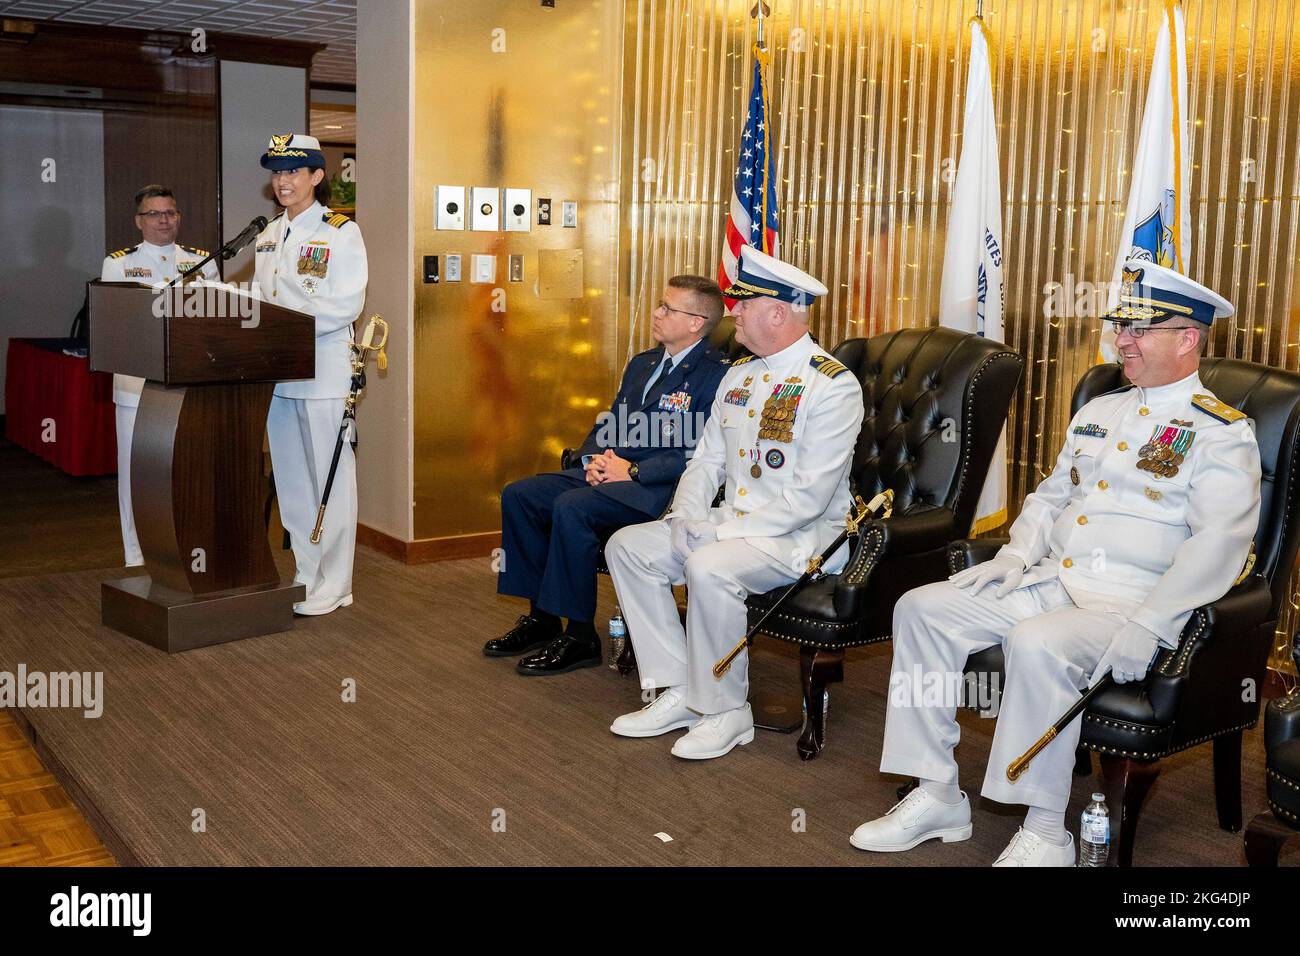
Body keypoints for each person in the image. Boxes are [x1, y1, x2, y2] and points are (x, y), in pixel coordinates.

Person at [852, 260, 1262, 866]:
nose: (1122, 339)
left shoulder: (1220, 431)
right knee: (922, 608)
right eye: (1122, 324)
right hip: (1054, 579)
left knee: (1038, 644)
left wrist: (1152, 625)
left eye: (1141, 329)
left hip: (1129, 602)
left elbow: (1219, 546)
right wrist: (1015, 555)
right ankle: (936, 792)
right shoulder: (1100, 411)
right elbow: (1052, 495)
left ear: (1188, 339)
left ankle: (1047, 832)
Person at [603, 247, 863, 760]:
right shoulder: (739, 376)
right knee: (629, 547)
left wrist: (716, 534)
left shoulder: (831, 385)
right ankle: (679, 687)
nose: (734, 313)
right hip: (732, 524)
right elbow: (705, 462)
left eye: (744, 304)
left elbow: (808, 498)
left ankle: (726, 711)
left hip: (801, 537)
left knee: (710, 564)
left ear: (778, 313)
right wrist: (685, 517)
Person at [488, 275, 731, 675]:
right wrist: (591, 462)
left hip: (657, 488)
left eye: (668, 308)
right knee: (520, 495)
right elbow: (609, 424)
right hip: (609, 472)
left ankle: (580, 636)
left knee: (571, 508)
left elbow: (700, 451)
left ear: (695, 322)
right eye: (660, 303)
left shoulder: (715, 374)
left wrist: (633, 470)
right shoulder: (644, 363)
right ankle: (542, 619)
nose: (657, 313)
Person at [254, 133, 368, 616]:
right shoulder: (266, 234)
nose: (283, 180)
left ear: (317, 176)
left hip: (323, 373)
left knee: (331, 480)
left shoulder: (341, 232)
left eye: (294, 171)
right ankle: (306, 570)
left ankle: (336, 582)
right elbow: (261, 297)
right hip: (279, 377)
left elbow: (346, 303)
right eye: (277, 171)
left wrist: (283, 320)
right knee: (294, 479)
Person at [101, 184, 219, 567]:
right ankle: (136, 555)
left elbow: (215, 318)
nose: (164, 220)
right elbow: (118, 326)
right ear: (139, 221)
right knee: (137, 475)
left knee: (184, 471)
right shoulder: (118, 264)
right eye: (154, 214)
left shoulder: (203, 261)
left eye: (170, 213)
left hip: (187, 386)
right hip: (136, 387)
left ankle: (182, 551)